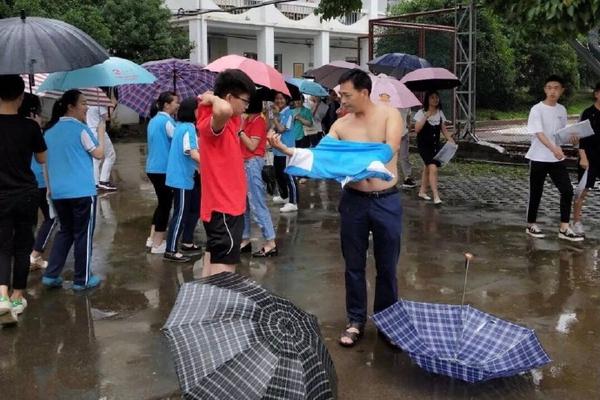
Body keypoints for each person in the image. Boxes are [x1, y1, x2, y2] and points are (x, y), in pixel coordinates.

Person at [270, 69, 403, 347]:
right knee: (353, 264)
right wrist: (288, 151)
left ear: (364, 93)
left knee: (387, 265)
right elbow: (321, 157)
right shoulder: (341, 125)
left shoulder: (390, 115)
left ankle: (387, 322)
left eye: (346, 95)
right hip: (354, 201)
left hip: (386, 200)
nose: (341, 100)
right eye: (340, 95)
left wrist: (357, 161)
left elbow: (389, 149)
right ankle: (355, 321)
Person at [42, 89, 105, 291]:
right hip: (81, 191)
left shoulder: (49, 131)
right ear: (71, 106)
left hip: (59, 192)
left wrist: (50, 188)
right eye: (84, 103)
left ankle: (51, 275)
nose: (87, 108)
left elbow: (45, 163)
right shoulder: (81, 129)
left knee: (65, 232)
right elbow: (99, 154)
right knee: (83, 234)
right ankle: (82, 279)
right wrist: (101, 133)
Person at [196, 69, 256, 277]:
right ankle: (218, 309)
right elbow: (223, 110)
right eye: (244, 101)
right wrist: (212, 97)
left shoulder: (231, 122)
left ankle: (207, 305)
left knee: (214, 256)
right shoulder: (213, 119)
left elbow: (229, 112)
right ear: (229, 97)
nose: (246, 106)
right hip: (224, 207)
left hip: (225, 205)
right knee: (224, 271)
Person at [0, 75, 47, 324]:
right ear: (20, 97)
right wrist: (35, 126)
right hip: (26, 193)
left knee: (2, 245)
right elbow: (41, 159)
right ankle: (18, 296)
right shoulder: (29, 127)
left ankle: (2, 296)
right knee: (22, 246)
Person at [525, 75, 582, 241]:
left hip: (556, 159)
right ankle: (530, 224)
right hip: (538, 157)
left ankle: (564, 227)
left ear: (562, 90)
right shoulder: (537, 109)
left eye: (556, 88)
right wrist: (553, 149)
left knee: (567, 190)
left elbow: (560, 135)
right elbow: (539, 133)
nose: (552, 91)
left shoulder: (561, 110)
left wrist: (573, 140)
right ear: (545, 89)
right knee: (536, 192)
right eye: (549, 87)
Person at [18, 94, 57, 271]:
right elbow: (43, 159)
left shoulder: (13, 126)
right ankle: (35, 254)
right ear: (34, 112)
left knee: (27, 222)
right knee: (51, 218)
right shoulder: (34, 129)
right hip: (40, 181)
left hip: (21, 183)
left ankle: (27, 255)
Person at [239, 94, 278, 257]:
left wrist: (240, 131)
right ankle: (245, 239)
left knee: (257, 203)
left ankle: (270, 242)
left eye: (245, 102)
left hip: (253, 164)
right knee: (244, 205)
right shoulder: (248, 119)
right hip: (244, 164)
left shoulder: (258, 121)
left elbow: (253, 145)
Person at [164, 98, 201, 263]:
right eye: (199, 109)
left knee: (194, 208)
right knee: (180, 213)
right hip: (182, 178)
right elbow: (191, 152)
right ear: (193, 111)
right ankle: (170, 250)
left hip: (186, 176)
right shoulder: (188, 127)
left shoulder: (180, 126)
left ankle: (187, 241)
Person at [145, 92, 179, 254]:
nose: (177, 105)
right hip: (163, 168)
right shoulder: (167, 121)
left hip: (153, 167)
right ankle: (158, 244)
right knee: (166, 205)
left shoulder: (153, 120)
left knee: (162, 203)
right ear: (166, 104)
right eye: (175, 102)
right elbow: (178, 141)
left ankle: (152, 238)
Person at [414, 91, 454, 205]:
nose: (435, 100)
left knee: (427, 168)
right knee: (433, 167)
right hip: (423, 146)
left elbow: (444, 130)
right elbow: (416, 129)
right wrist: (426, 116)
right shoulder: (421, 112)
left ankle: (422, 191)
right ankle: (436, 195)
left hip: (435, 146)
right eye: (432, 97)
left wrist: (451, 141)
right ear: (427, 99)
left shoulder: (440, 113)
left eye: (437, 97)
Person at [572, 83, 600, 236]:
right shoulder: (588, 113)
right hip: (588, 160)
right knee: (581, 192)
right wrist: (583, 157)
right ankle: (576, 222)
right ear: (596, 94)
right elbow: (580, 138)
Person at [271, 93, 299, 213]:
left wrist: (275, 117)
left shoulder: (289, 113)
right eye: (277, 98)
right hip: (277, 149)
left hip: (287, 149)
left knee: (289, 176)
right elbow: (272, 127)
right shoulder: (281, 113)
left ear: (286, 100)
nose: (279, 100)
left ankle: (293, 202)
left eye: (281, 98)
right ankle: (284, 196)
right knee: (278, 174)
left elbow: (282, 129)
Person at [87, 104, 117, 191]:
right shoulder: (98, 102)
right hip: (99, 131)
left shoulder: (86, 103)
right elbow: (107, 117)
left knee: (96, 158)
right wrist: (112, 106)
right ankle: (104, 181)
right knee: (111, 155)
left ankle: (95, 183)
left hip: (90, 131)